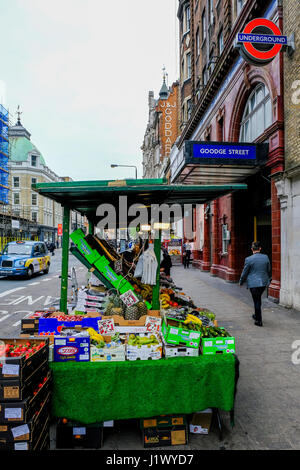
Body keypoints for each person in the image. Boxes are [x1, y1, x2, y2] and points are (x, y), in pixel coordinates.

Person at [239, 241, 272, 327]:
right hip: (263, 283)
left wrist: (241, 281)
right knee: (258, 300)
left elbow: (245, 272)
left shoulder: (248, 259)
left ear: (252, 249)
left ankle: (259, 320)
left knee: (256, 301)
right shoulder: (266, 257)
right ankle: (256, 315)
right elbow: (268, 269)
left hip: (253, 284)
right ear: (260, 248)